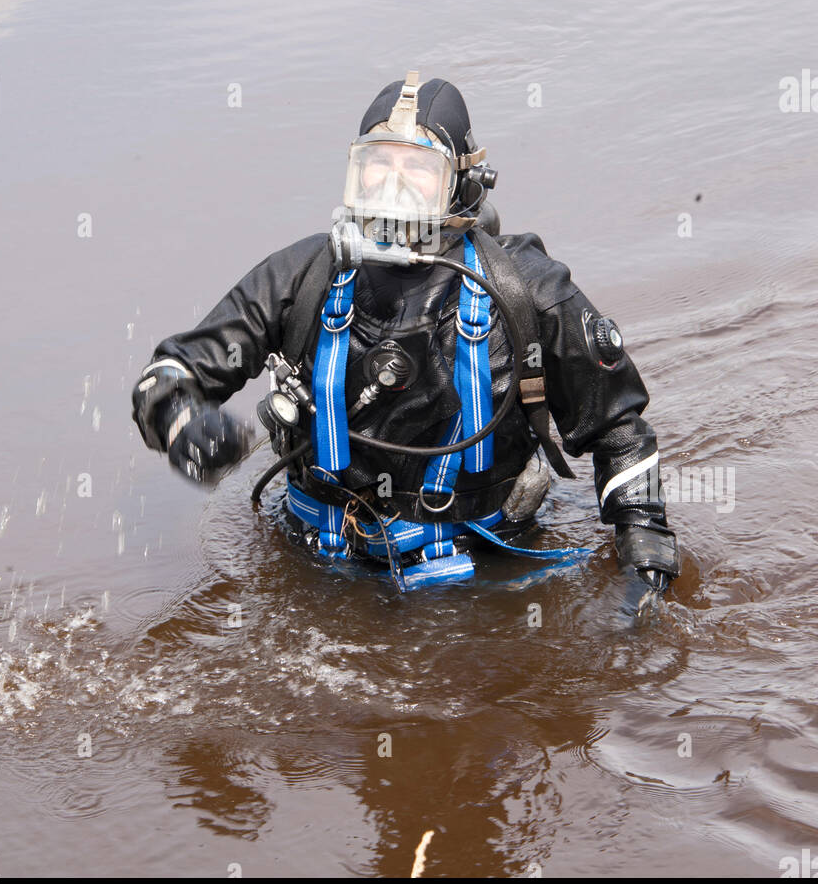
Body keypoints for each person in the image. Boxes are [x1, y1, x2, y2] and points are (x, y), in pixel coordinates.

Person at [132, 72, 680, 593]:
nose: (392, 188)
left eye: (417, 170)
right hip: (318, 556)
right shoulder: (302, 278)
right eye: (376, 166)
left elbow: (619, 432)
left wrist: (644, 546)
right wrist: (181, 420)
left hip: (486, 564)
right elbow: (171, 373)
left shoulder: (526, 292)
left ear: (463, 183)